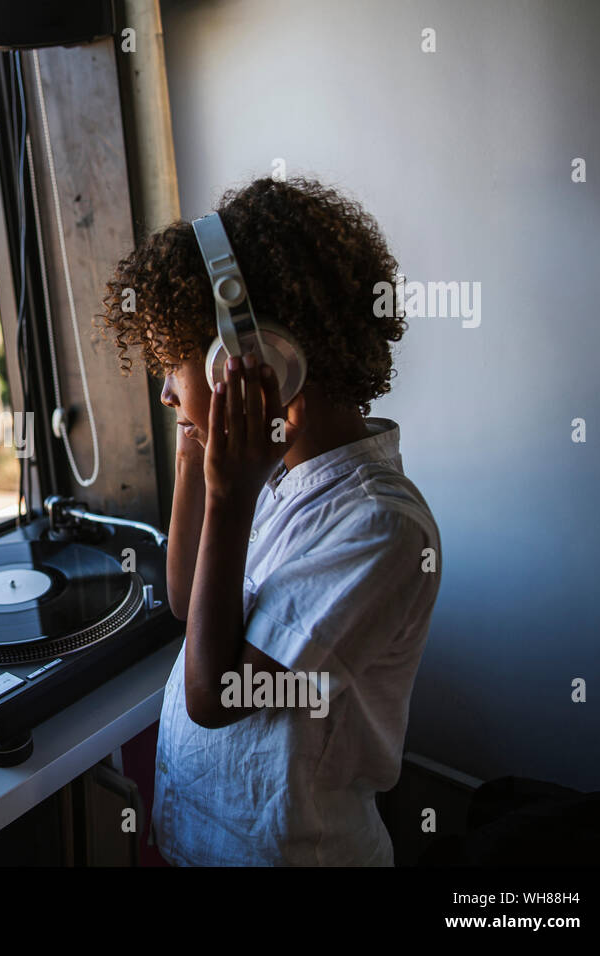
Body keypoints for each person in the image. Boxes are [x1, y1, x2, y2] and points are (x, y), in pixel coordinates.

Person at [99, 177, 441, 865]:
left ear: (257, 362)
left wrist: (230, 493)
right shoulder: (279, 478)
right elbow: (183, 597)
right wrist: (197, 438)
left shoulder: (379, 527)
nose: (164, 390)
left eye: (172, 363)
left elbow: (220, 694)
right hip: (205, 840)